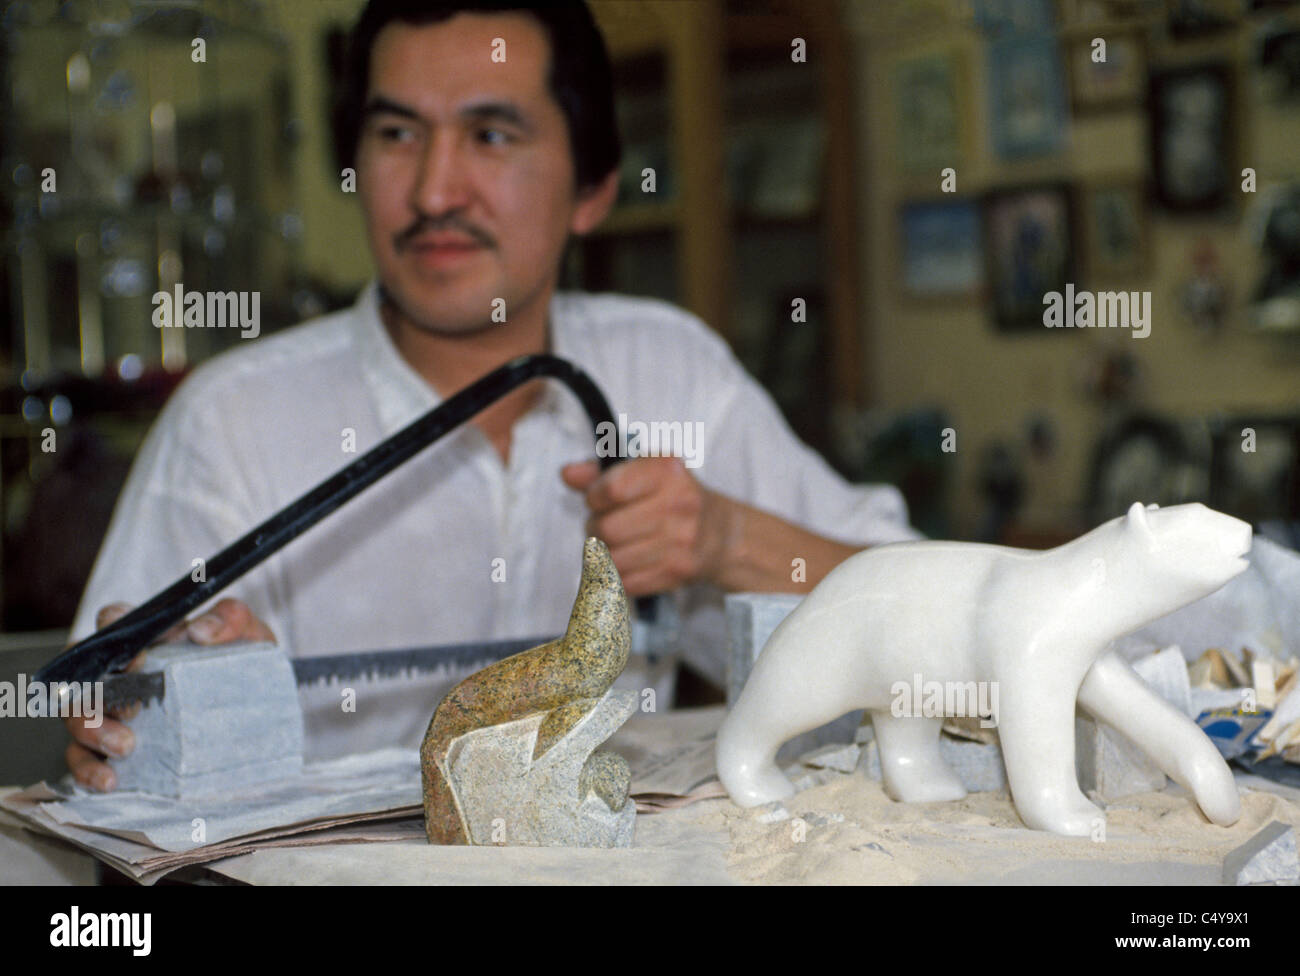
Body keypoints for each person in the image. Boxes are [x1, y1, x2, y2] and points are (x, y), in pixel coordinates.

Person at [64, 0, 919, 792]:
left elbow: (932, 626)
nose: (436, 192)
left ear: (593, 189)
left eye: (492, 136)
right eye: (398, 133)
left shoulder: (670, 368)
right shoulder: (230, 419)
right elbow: (107, 740)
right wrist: (163, 707)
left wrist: (729, 537)